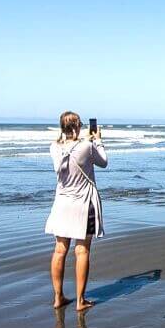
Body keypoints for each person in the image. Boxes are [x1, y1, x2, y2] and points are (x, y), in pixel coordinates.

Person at [45, 111, 107, 311]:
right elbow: (103, 162)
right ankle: (80, 300)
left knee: (59, 250)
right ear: (77, 126)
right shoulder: (87, 146)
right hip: (83, 204)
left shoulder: (55, 147)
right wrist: (98, 141)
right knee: (82, 251)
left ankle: (58, 297)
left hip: (62, 204)